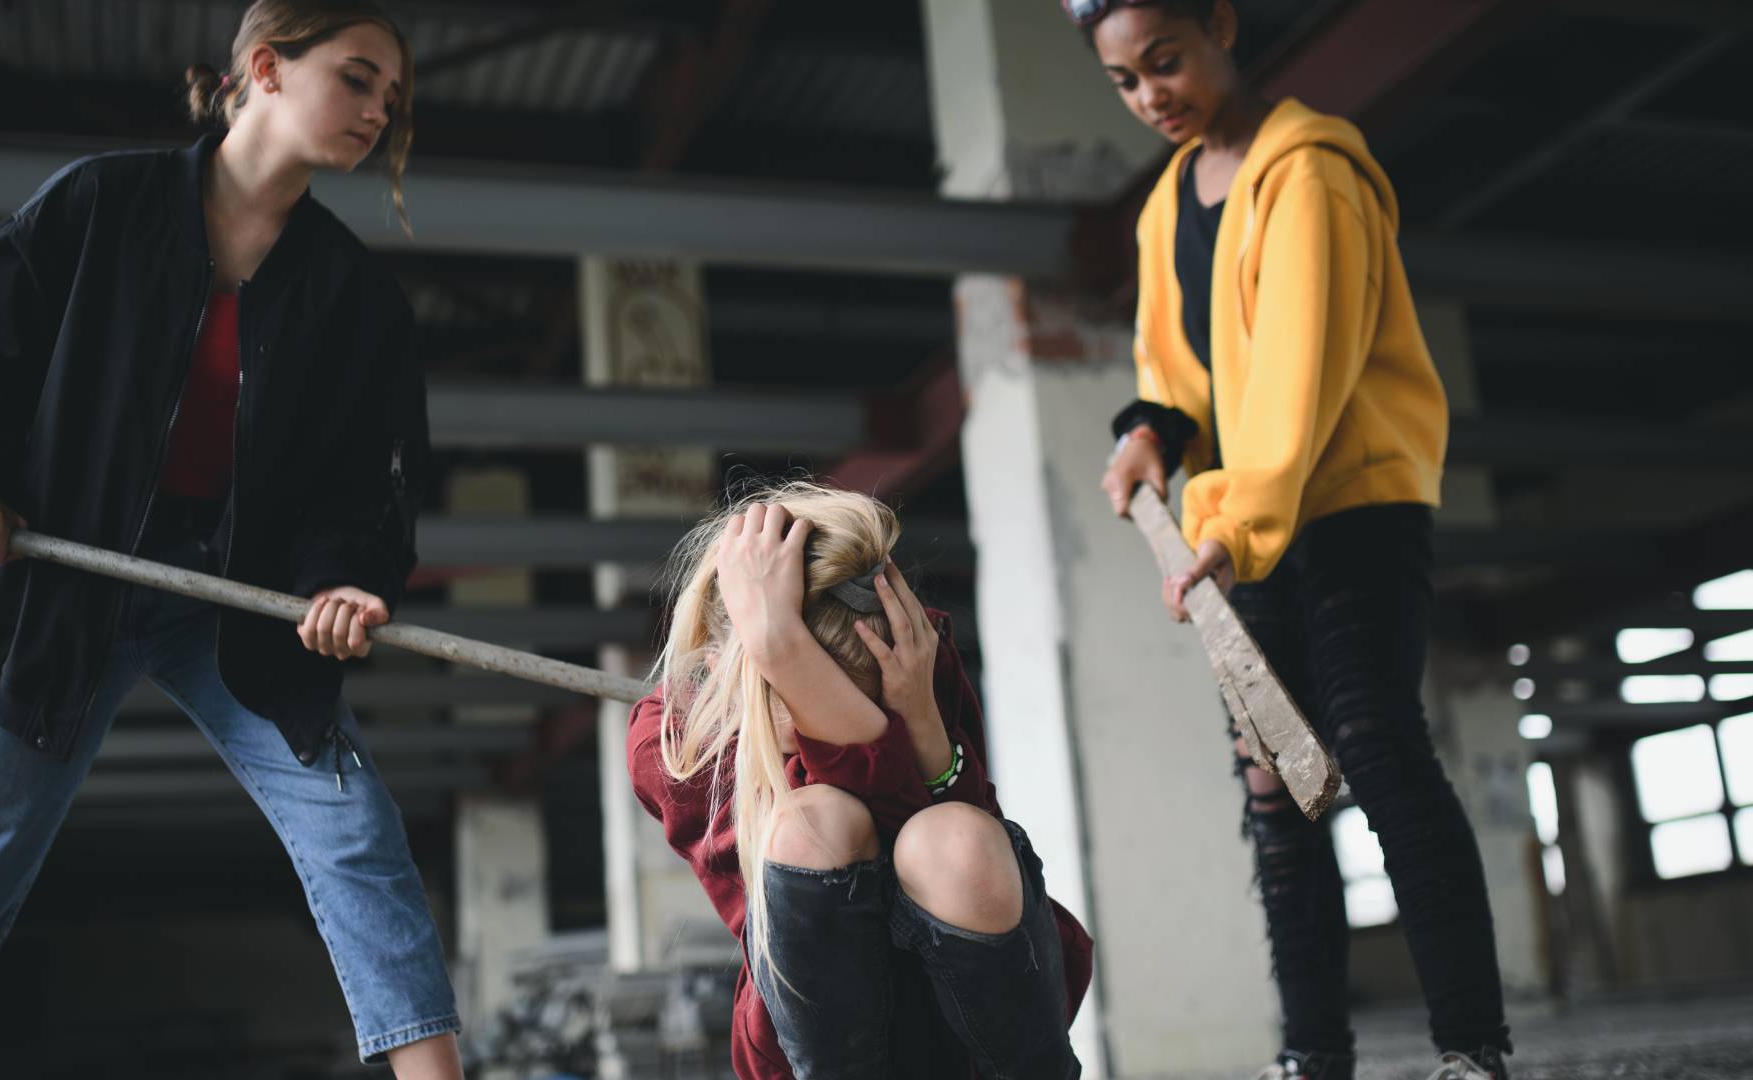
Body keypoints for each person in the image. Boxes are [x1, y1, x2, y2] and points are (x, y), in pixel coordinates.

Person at [0, 2, 462, 1075]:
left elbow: (366, 484)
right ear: (267, 68)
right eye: (360, 78)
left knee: (357, 836)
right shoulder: (101, 206)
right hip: (59, 592)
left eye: (392, 96)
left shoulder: (354, 298)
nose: (380, 111)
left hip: (232, 606)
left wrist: (345, 584)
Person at [1072, 1, 1513, 1078]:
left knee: (1375, 746)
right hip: (1241, 526)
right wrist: (1145, 436)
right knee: (1272, 790)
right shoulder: (1167, 203)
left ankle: (1470, 1049)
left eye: (1165, 63)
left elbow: (1296, 381)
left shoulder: (1312, 171)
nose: (1150, 98)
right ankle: (1312, 1055)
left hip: (1350, 500)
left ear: (1221, 22)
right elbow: (1176, 372)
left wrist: (1242, 525)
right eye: (1127, 83)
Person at [626, 482, 1094, 1079]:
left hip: (982, 1028)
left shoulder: (913, 653)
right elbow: (835, 837)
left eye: (871, 705)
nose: (828, 717)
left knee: (955, 835)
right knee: (812, 824)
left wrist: (920, 719)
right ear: (731, 672)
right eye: (800, 700)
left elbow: (971, 849)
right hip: (828, 1047)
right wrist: (779, 647)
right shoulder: (677, 743)